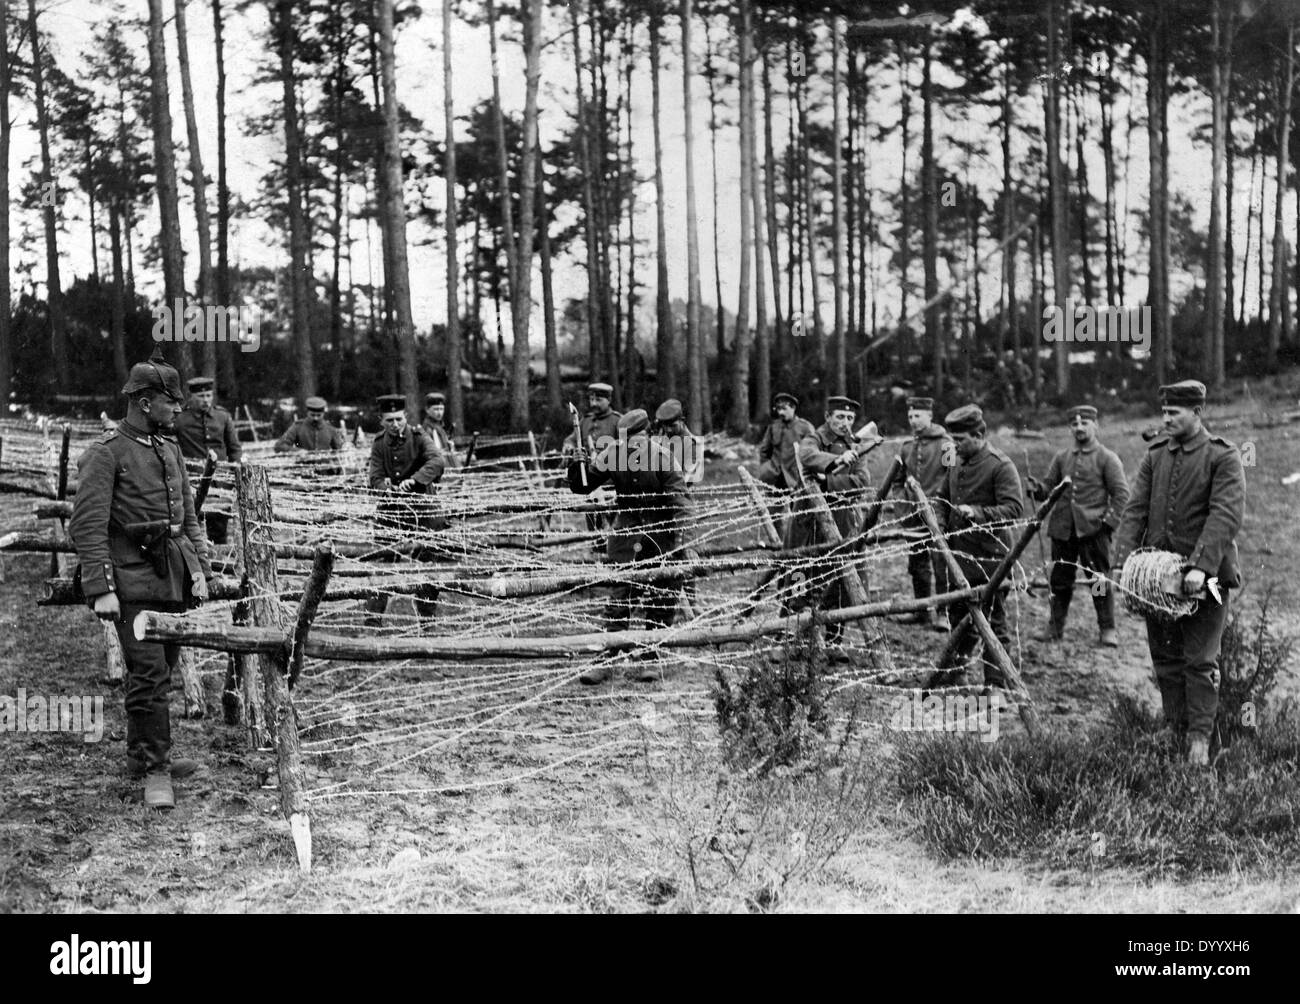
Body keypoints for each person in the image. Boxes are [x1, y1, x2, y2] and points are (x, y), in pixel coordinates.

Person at [68, 352, 213, 810]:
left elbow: (188, 517)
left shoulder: (168, 449)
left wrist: (201, 570)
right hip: (129, 581)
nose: (178, 411)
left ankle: (141, 754)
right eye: (172, 403)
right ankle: (156, 770)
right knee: (149, 673)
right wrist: (101, 588)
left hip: (170, 575)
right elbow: (87, 527)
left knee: (160, 670)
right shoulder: (106, 454)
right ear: (146, 403)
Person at [1112, 380, 1245, 767]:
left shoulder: (1223, 456)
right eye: (1164, 412)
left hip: (1213, 580)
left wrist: (1201, 568)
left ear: (1197, 413)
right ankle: (1174, 724)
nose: (1166, 419)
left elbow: (1226, 515)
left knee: (1201, 659)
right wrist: (1122, 563)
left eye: (1175, 413)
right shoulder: (1155, 455)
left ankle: (1200, 738)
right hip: (1158, 582)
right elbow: (1135, 509)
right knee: (1165, 656)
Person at [567, 409, 688, 685]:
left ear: (646, 434)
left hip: (661, 537)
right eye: (624, 440)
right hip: (626, 536)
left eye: (634, 439)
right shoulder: (614, 453)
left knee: (662, 597)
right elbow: (583, 486)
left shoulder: (663, 456)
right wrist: (578, 465)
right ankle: (610, 656)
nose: (629, 445)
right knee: (620, 597)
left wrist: (683, 542)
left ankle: (651, 655)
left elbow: (682, 503)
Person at [933, 404, 1024, 691]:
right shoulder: (956, 462)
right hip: (959, 557)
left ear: (979, 434)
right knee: (958, 617)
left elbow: (1014, 509)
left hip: (990, 559)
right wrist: (938, 521)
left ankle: (996, 685)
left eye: (960, 440)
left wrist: (977, 513)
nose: (955, 446)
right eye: (953, 440)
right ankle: (957, 671)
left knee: (993, 624)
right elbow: (942, 497)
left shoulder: (1000, 465)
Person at [1027, 404, 1130, 647]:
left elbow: (1122, 495)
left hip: (1093, 531)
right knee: (1060, 580)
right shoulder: (1062, 457)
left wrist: (1107, 524)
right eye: (1075, 424)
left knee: (1097, 581)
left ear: (1096, 425)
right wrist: (1037, 489)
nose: (1079, 428)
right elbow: (1049, 488)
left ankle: (1107, 628)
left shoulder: (1107, 458)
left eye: (1085, 423)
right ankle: (1054, 627)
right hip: (1063, 530)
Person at [783, 396, 877, 648]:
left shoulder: (856, 446)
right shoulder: (815, 437)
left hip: (840, 519)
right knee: (799, 572)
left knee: (837, 578)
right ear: (828, 417)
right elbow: (807, 455)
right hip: (808, 519)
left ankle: (835, 641)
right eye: (839, 417)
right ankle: (793, 635)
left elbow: (861, 481)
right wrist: (835, 461)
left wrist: (827, 482)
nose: (845, 423)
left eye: (849, 418)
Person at [365, 394, 447, 621]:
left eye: (399, 419)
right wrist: (384, 488)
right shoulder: (379, 443)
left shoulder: (420, 437)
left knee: (427, 564)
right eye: (389, 420)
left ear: (406, 417)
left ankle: (427, 618)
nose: (395, 425)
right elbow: (375, 475)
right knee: (382, 562)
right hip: (392, 511)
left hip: (423, 509)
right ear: (382, 420)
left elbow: (437, 461)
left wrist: (416, 480)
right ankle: (373, 620)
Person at [894, 396, 953, 630]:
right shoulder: (907, 446)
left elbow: (953, 474)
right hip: (912, 512)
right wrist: (902, 502)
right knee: (917, 561)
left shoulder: (947, 443)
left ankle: (943, 612)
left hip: (937, 511)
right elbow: (897, 480)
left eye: (918, 415)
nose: (913, 420)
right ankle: (920, 610)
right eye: (910, 416)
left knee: (941, 560)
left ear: (930, 416)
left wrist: (940, 500)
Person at [172, 376, 242, 545]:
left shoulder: (222, 416)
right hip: (192, 481)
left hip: (220, 483)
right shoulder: (179, 419)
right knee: (191, 526)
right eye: (201, 397)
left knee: (218, 529)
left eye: (209, 396)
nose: (206, 400)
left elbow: (234, 448)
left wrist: (236, 475)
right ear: (191, 397)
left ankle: (217, 565)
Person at [757, 392, 816, 490]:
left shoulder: (805, 427)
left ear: (793, 408)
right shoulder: (773, 427)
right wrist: (766, 468)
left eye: (784, 409)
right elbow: (764, 450)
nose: (780, 413)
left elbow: (813, 452)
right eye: (779, 409)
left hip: (795, 477)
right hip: (774, 476)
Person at [563, 382, 622, 455]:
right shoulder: (585, 420)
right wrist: (569, 445)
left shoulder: (618, 420)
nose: (594, 404)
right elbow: (572, 439)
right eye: (592, 399)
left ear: (609, 400)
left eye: (598, 400)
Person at [275, 396, 344, 453]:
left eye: (319, 415)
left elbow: (340, 450)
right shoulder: (297, 427)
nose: (316, 418)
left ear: (323, 413)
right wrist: (297, 451)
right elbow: (279, 446)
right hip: (303, 468)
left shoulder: (330, 429)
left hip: (325, 468)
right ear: (307, 412)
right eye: (312, 415)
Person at [420, 392, 461, 468]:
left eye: (441, 409)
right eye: (436, 409)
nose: (439, 413)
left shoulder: (439, 426)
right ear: (427, 410)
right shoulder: (428, 429)